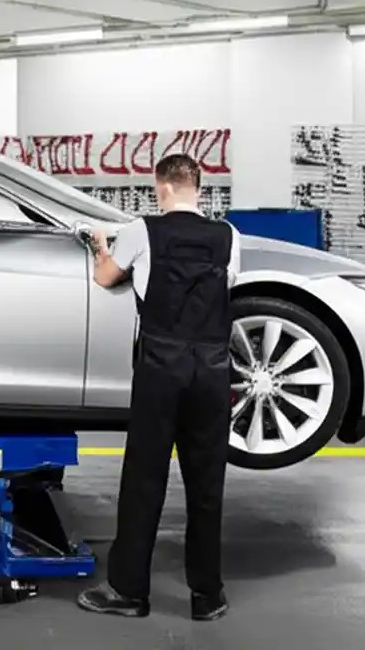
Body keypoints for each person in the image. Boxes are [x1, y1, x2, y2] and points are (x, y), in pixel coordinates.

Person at [76, 153, 241, 621]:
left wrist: (100, 246)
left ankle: (129, 593)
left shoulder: (142, 230)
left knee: (145, 480)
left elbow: (107, 278)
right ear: (199, 188)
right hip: (211, 369)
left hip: (160, 368)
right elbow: (222, 291)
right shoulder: (229, 236)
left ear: (162, 187)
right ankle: (207, 597)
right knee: (207, 485)